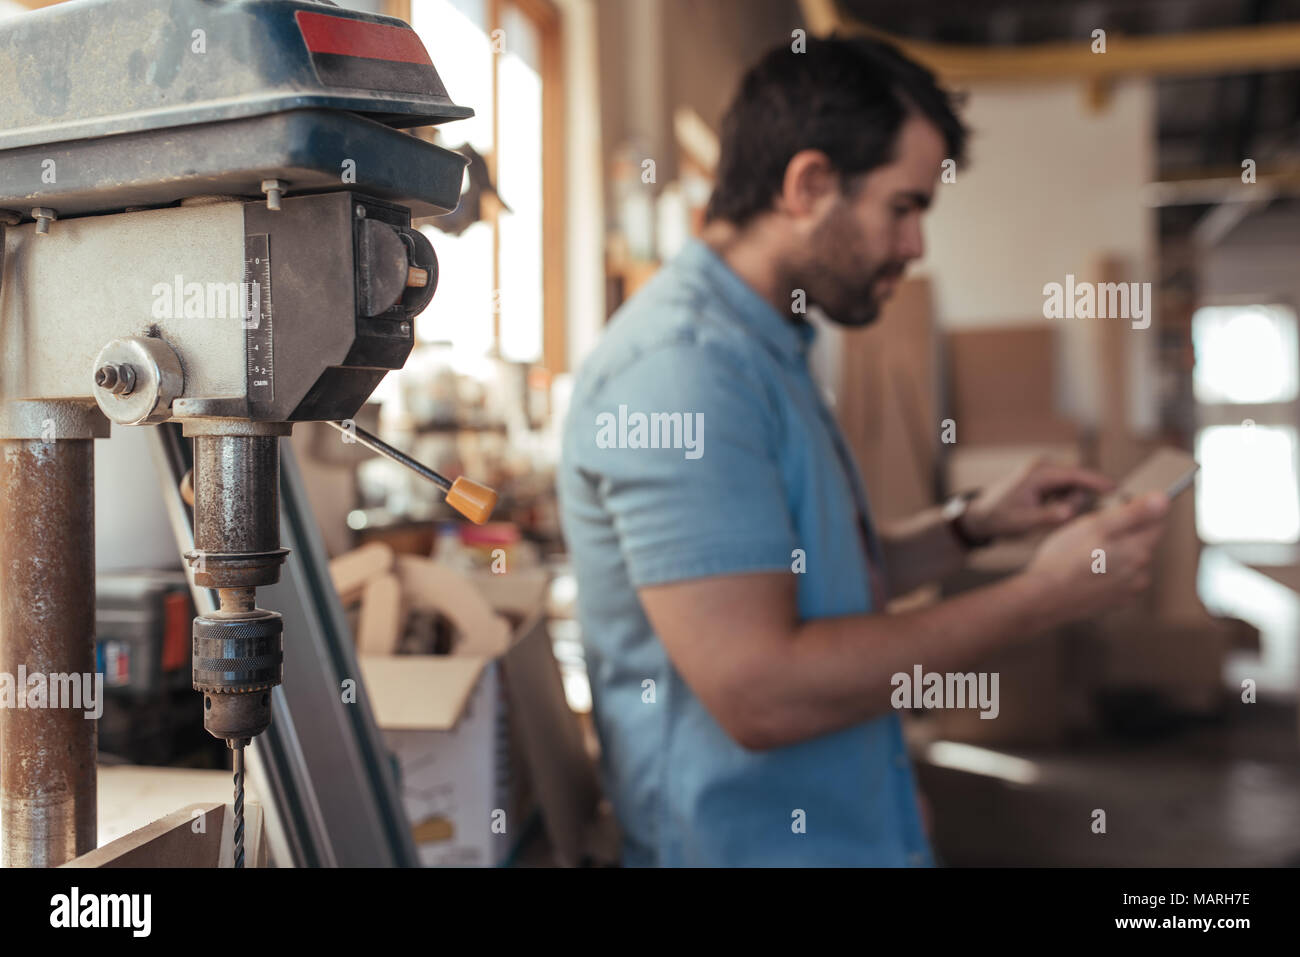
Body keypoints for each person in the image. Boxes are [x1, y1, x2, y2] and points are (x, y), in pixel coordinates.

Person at [558, 35, 1169, 866]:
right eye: (904, 207)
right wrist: (1043, 597)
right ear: (809, 185)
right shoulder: (682, 370)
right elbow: (761, 691)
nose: (917, 246)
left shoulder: (768, 341)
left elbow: (809, 580)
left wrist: (973, 527)